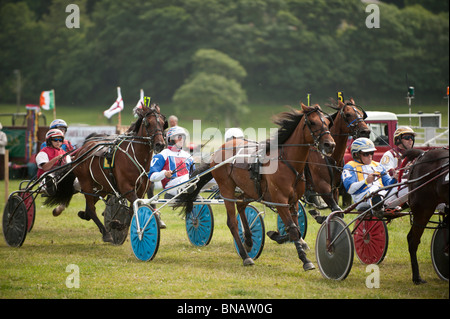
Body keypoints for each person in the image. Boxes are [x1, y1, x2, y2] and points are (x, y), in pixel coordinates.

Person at [148, 126, 195, 228]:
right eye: (179, 137)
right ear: (170, 139)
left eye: (182, 137)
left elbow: (195, 173)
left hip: (188, 183)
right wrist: (164, 173)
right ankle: (191, 186)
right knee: (188, 179)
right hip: (172, 187)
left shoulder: (188, 156)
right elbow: (152, 176)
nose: (181, 140)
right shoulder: (162, 155)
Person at [342, 138, 397, 217]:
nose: (370, 156)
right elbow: (350, 189)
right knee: (373, 189)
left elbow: (388, 185)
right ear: (356, 154)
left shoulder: (378, 165)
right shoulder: (350, 166)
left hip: (383, 194)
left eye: (371, 153)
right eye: (366, 154)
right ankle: (378, 208)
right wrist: (366, 182)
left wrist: (395, 178)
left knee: (405, 185)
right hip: (361, 199)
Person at [36, 129, 79, 216]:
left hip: (60, 177)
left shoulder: (64, 153)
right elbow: (45, 167)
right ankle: (48, 186)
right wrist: (56, 159)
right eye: (55, 139)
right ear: (49, 141)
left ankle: (64, 201)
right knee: (50, 177)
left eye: (60, 140)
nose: (58, 142)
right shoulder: (43, 152)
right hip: (46, 175)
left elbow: (68, 167)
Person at [380, 126, 416, 209]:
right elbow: (388, 173)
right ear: (398, 140)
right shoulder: (389, 155)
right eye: (407, 137)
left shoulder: (414, 155)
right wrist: (402, 171)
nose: (410, 140)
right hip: (392, 189)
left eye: (412, 137)